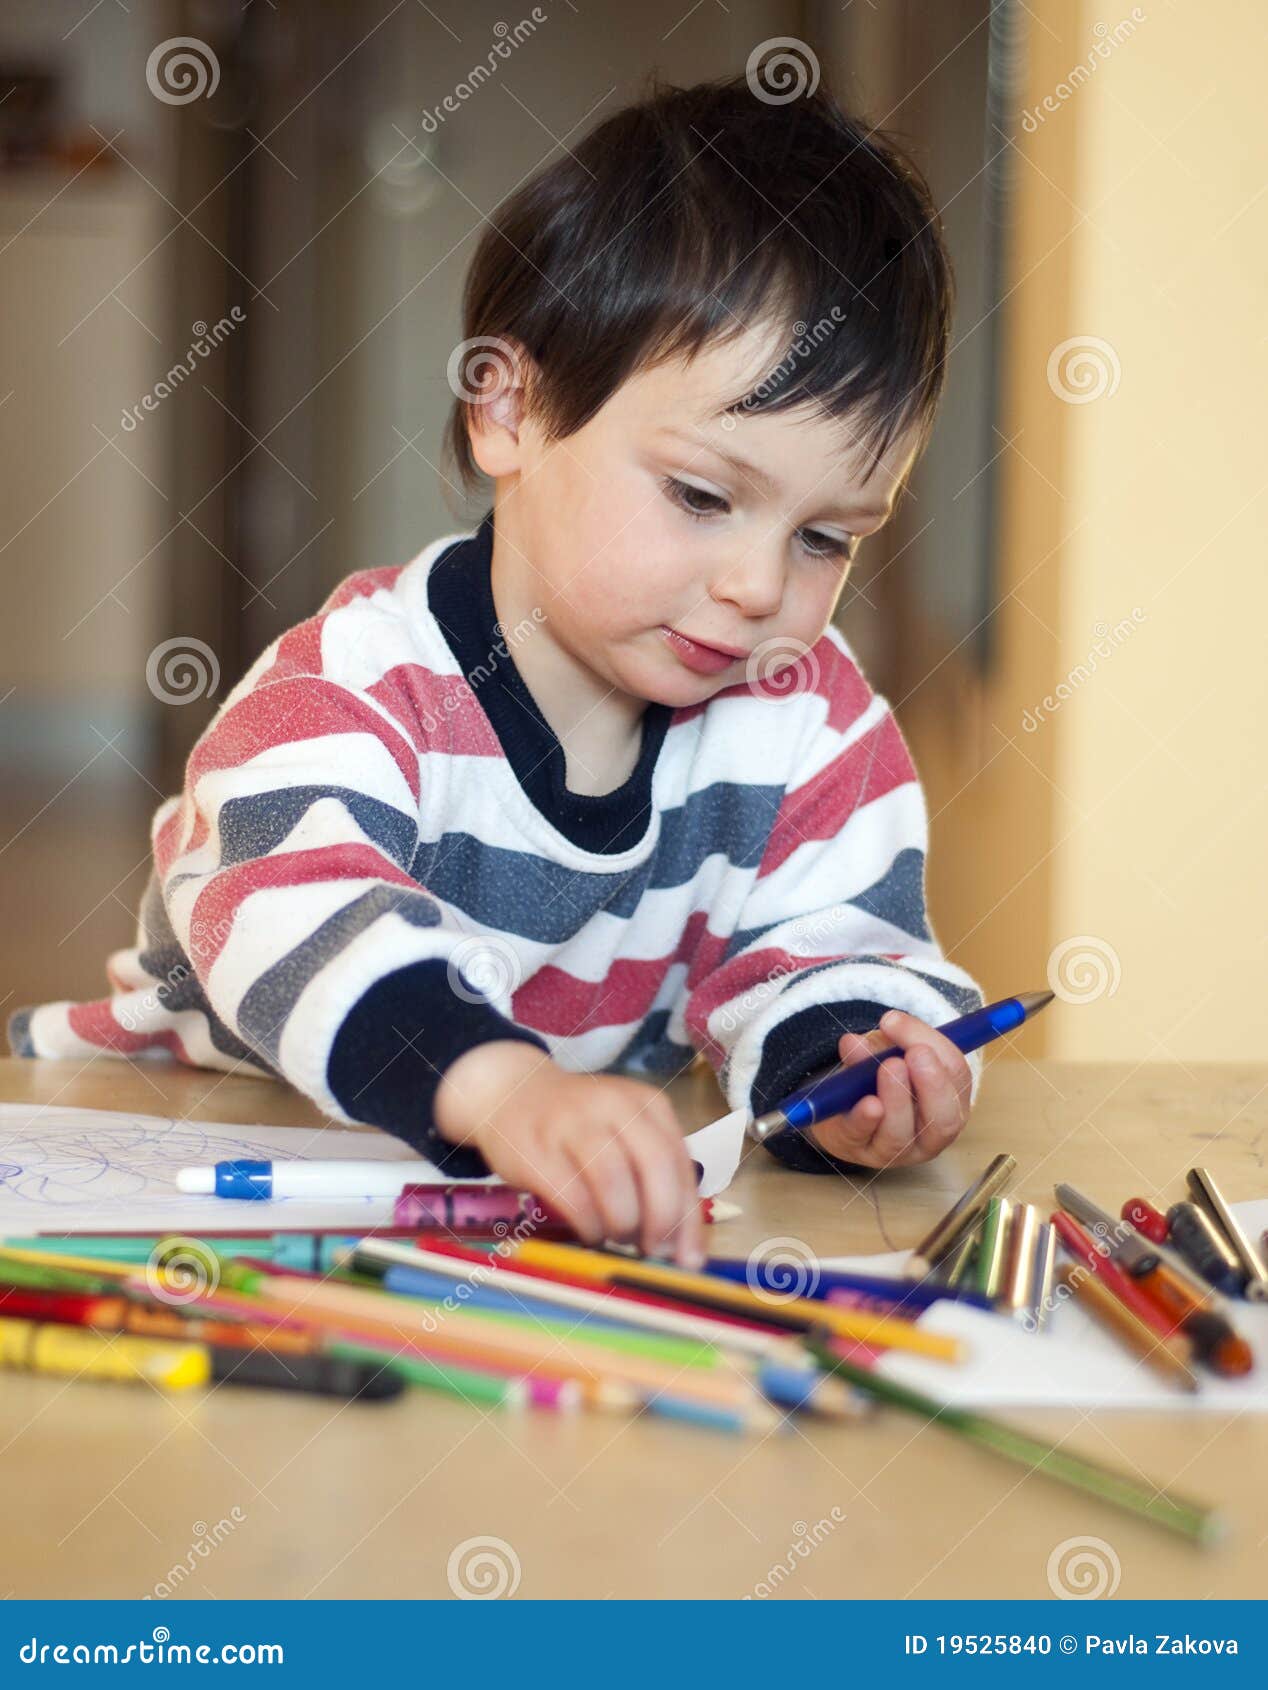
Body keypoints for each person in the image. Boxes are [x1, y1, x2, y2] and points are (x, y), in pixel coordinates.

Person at [9, 74, 984, 1268]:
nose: (758, 587)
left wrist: (852, 1065)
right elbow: (287, 905)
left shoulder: (802, 717)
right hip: (175, 1163)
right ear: (507, 410)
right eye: (699, 495)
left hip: (489, 1225)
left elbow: (834, 941)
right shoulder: (355, 683)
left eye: (825, 537)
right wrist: (502, 1088)